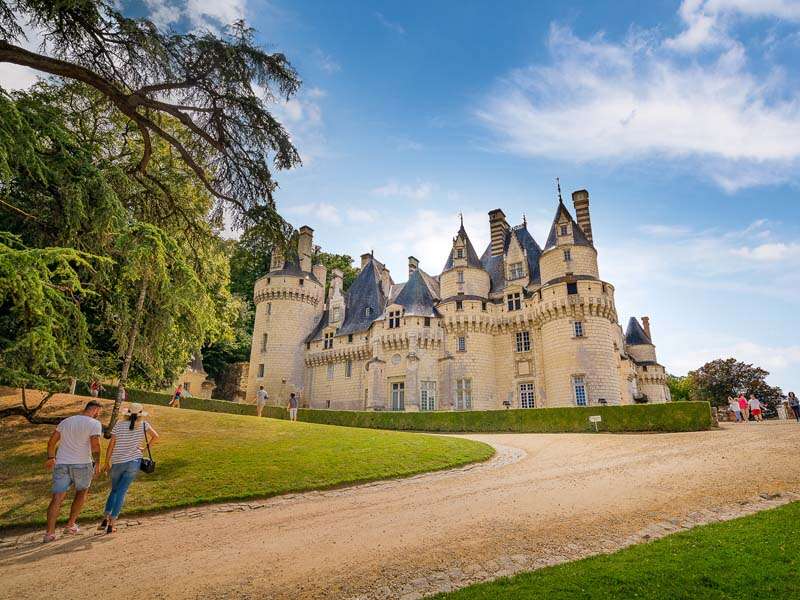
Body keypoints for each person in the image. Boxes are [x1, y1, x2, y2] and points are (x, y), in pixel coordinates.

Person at [43, 400, 103, 542]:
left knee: (57, 498)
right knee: (81, 492)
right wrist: (98, 463)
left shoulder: (66, 421)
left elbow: (51, 442)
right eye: (99, 411)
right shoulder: (94, 424)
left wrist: (51, 457)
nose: (99, 414)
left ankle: (49, 533)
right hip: (82, 464)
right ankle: (70, 525)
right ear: (94, 410)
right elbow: (95, 446)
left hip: (62, 463)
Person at [100, 403, 159, 534]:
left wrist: (106, 462)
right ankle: (112, 523)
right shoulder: (144, 425)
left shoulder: (120, 424)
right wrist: (145, 448)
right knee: (122, 492)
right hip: (133, 462)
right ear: (140, 414)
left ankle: (105, 518)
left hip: (117, 461)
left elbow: (111, 445)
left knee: (114, 490)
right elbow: (156, 436)